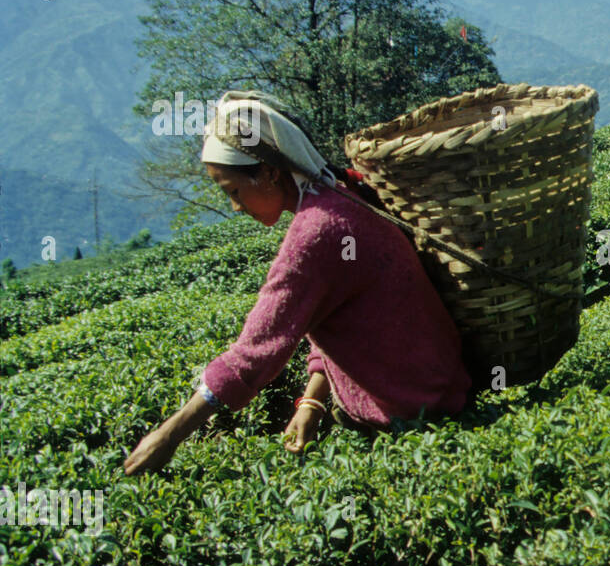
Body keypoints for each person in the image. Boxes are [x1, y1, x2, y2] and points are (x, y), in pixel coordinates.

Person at [124, 91, 471, 476]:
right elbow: (340, 317)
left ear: (270, 173)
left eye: (234, 192)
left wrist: (168, 435)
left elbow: (253, 354)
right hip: (440, 392)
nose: (236, 207)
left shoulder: (317, 232)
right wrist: (312, 402)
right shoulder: (339, 196)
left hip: (413, 420)